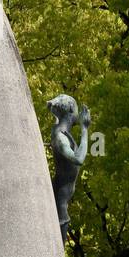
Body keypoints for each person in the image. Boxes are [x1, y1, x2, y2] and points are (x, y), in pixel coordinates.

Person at [47, 94, 90, 241]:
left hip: (63, 199)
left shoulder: (62, 132)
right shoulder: (60, 137)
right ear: (72, 108)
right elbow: (78, 159)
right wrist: (84, 129)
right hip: (60, 202)